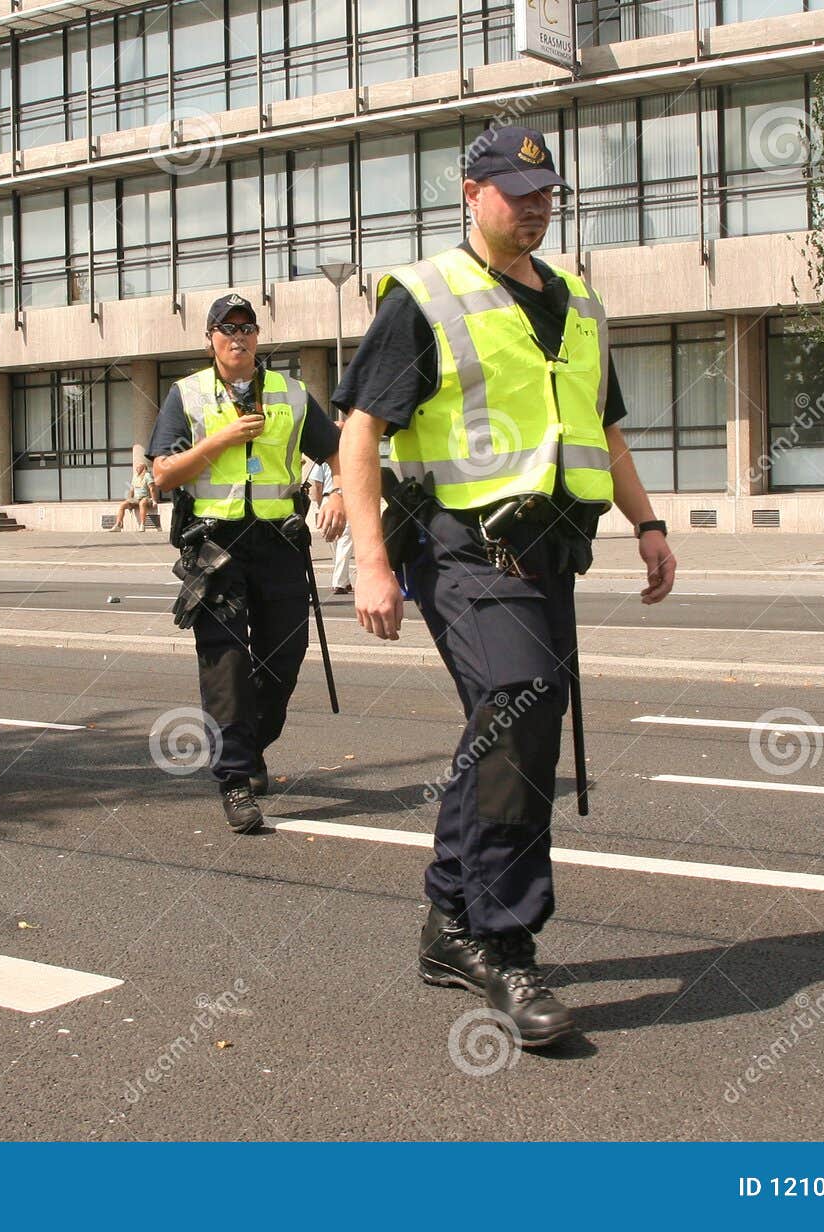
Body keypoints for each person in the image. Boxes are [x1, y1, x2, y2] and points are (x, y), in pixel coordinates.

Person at [337, 126, 675, 1049]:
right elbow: (360, 433)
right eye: (515, 188)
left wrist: (647, 525)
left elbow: (605, 434)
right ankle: (503, 940)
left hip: (555, 555)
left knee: (510, 722)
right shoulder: (426, 296)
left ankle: (448, 919)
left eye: (544, 191)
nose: (533, 204)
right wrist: (370, 559)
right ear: (469, 191)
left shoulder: (579, 306)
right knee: (523, 707)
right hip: (462, 551)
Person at [150, 293, 346, 833]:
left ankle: (250, 743)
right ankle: (235, 778)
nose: (238, 337)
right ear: (210, 338)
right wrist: (221, 440)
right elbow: (163, 475)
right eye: (226, 328)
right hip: (216, 547)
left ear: (257, 336)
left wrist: (339, 492)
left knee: (285, 657)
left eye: (247, 327)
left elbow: (337, 450)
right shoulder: (186, 395)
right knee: (227, 664)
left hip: (279, 541)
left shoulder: (290, 392)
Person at [308, 454, 353, 595]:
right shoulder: (349, 456)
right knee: (345, 541)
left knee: (334, 541)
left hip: (327, 499)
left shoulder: (323, 456)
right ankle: (339, 582)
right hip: (342, 498)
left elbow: (317, 484)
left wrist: (321, 504)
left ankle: (344, 581)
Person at [108, 461, 157, 531]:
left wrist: (154, 501)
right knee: (123, 505)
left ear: (143, 468)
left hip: (145, 498)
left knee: (142, 503)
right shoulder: (135, 476)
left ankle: (142, 525)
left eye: (138, 467)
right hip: (136, 499)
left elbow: (152, 489)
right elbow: (132, 489)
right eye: (136, 467)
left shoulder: (147, 475)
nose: (136, 468)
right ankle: (118, 525)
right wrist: (129, 499)